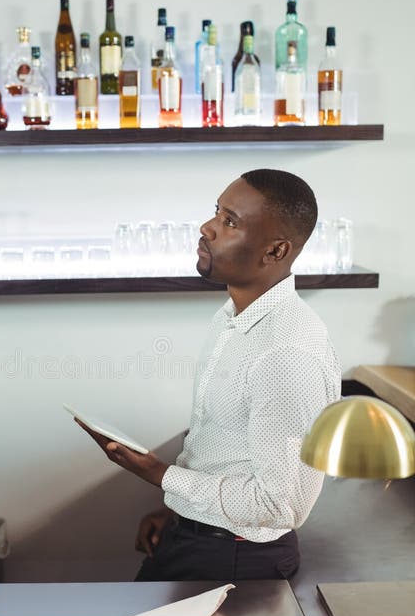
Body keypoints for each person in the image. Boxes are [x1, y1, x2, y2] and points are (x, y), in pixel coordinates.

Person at [76, 169, 341, 581]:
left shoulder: (286, 353)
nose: (207, 228)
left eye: (230, 221)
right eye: (216, 212)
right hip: (197, 536)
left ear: (275, 251)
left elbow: (281, 507)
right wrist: (176, 509)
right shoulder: (235, 317)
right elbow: (221, 442)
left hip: (236, 559)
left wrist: (158, 474)